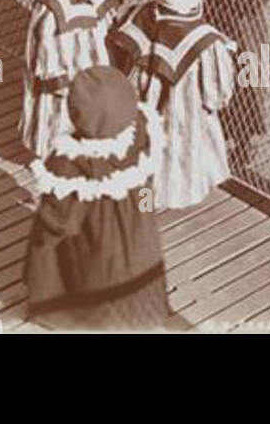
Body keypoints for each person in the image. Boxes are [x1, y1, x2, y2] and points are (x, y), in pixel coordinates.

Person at [23, 65, 171, 331]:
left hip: (101, 252)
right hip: (139, 235)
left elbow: (60, 222)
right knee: (137, 256)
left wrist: (43, 241)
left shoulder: (71, 162)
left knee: (58, 249)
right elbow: (148, 189)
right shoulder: (142, 131)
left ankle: (56, 308)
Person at [21, 0, 166, 159]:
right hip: (71, 87)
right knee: (66, 135)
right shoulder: (52, 7)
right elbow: (50, 68)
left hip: (99, 76)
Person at [109, 0, 238, 210]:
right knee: (177, 158)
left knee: (142, 155)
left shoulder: (140, 14)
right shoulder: (206, 41)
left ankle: (142, 201)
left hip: (139, 108)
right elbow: (217, 94)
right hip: (183, 118)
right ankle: (163, 198)